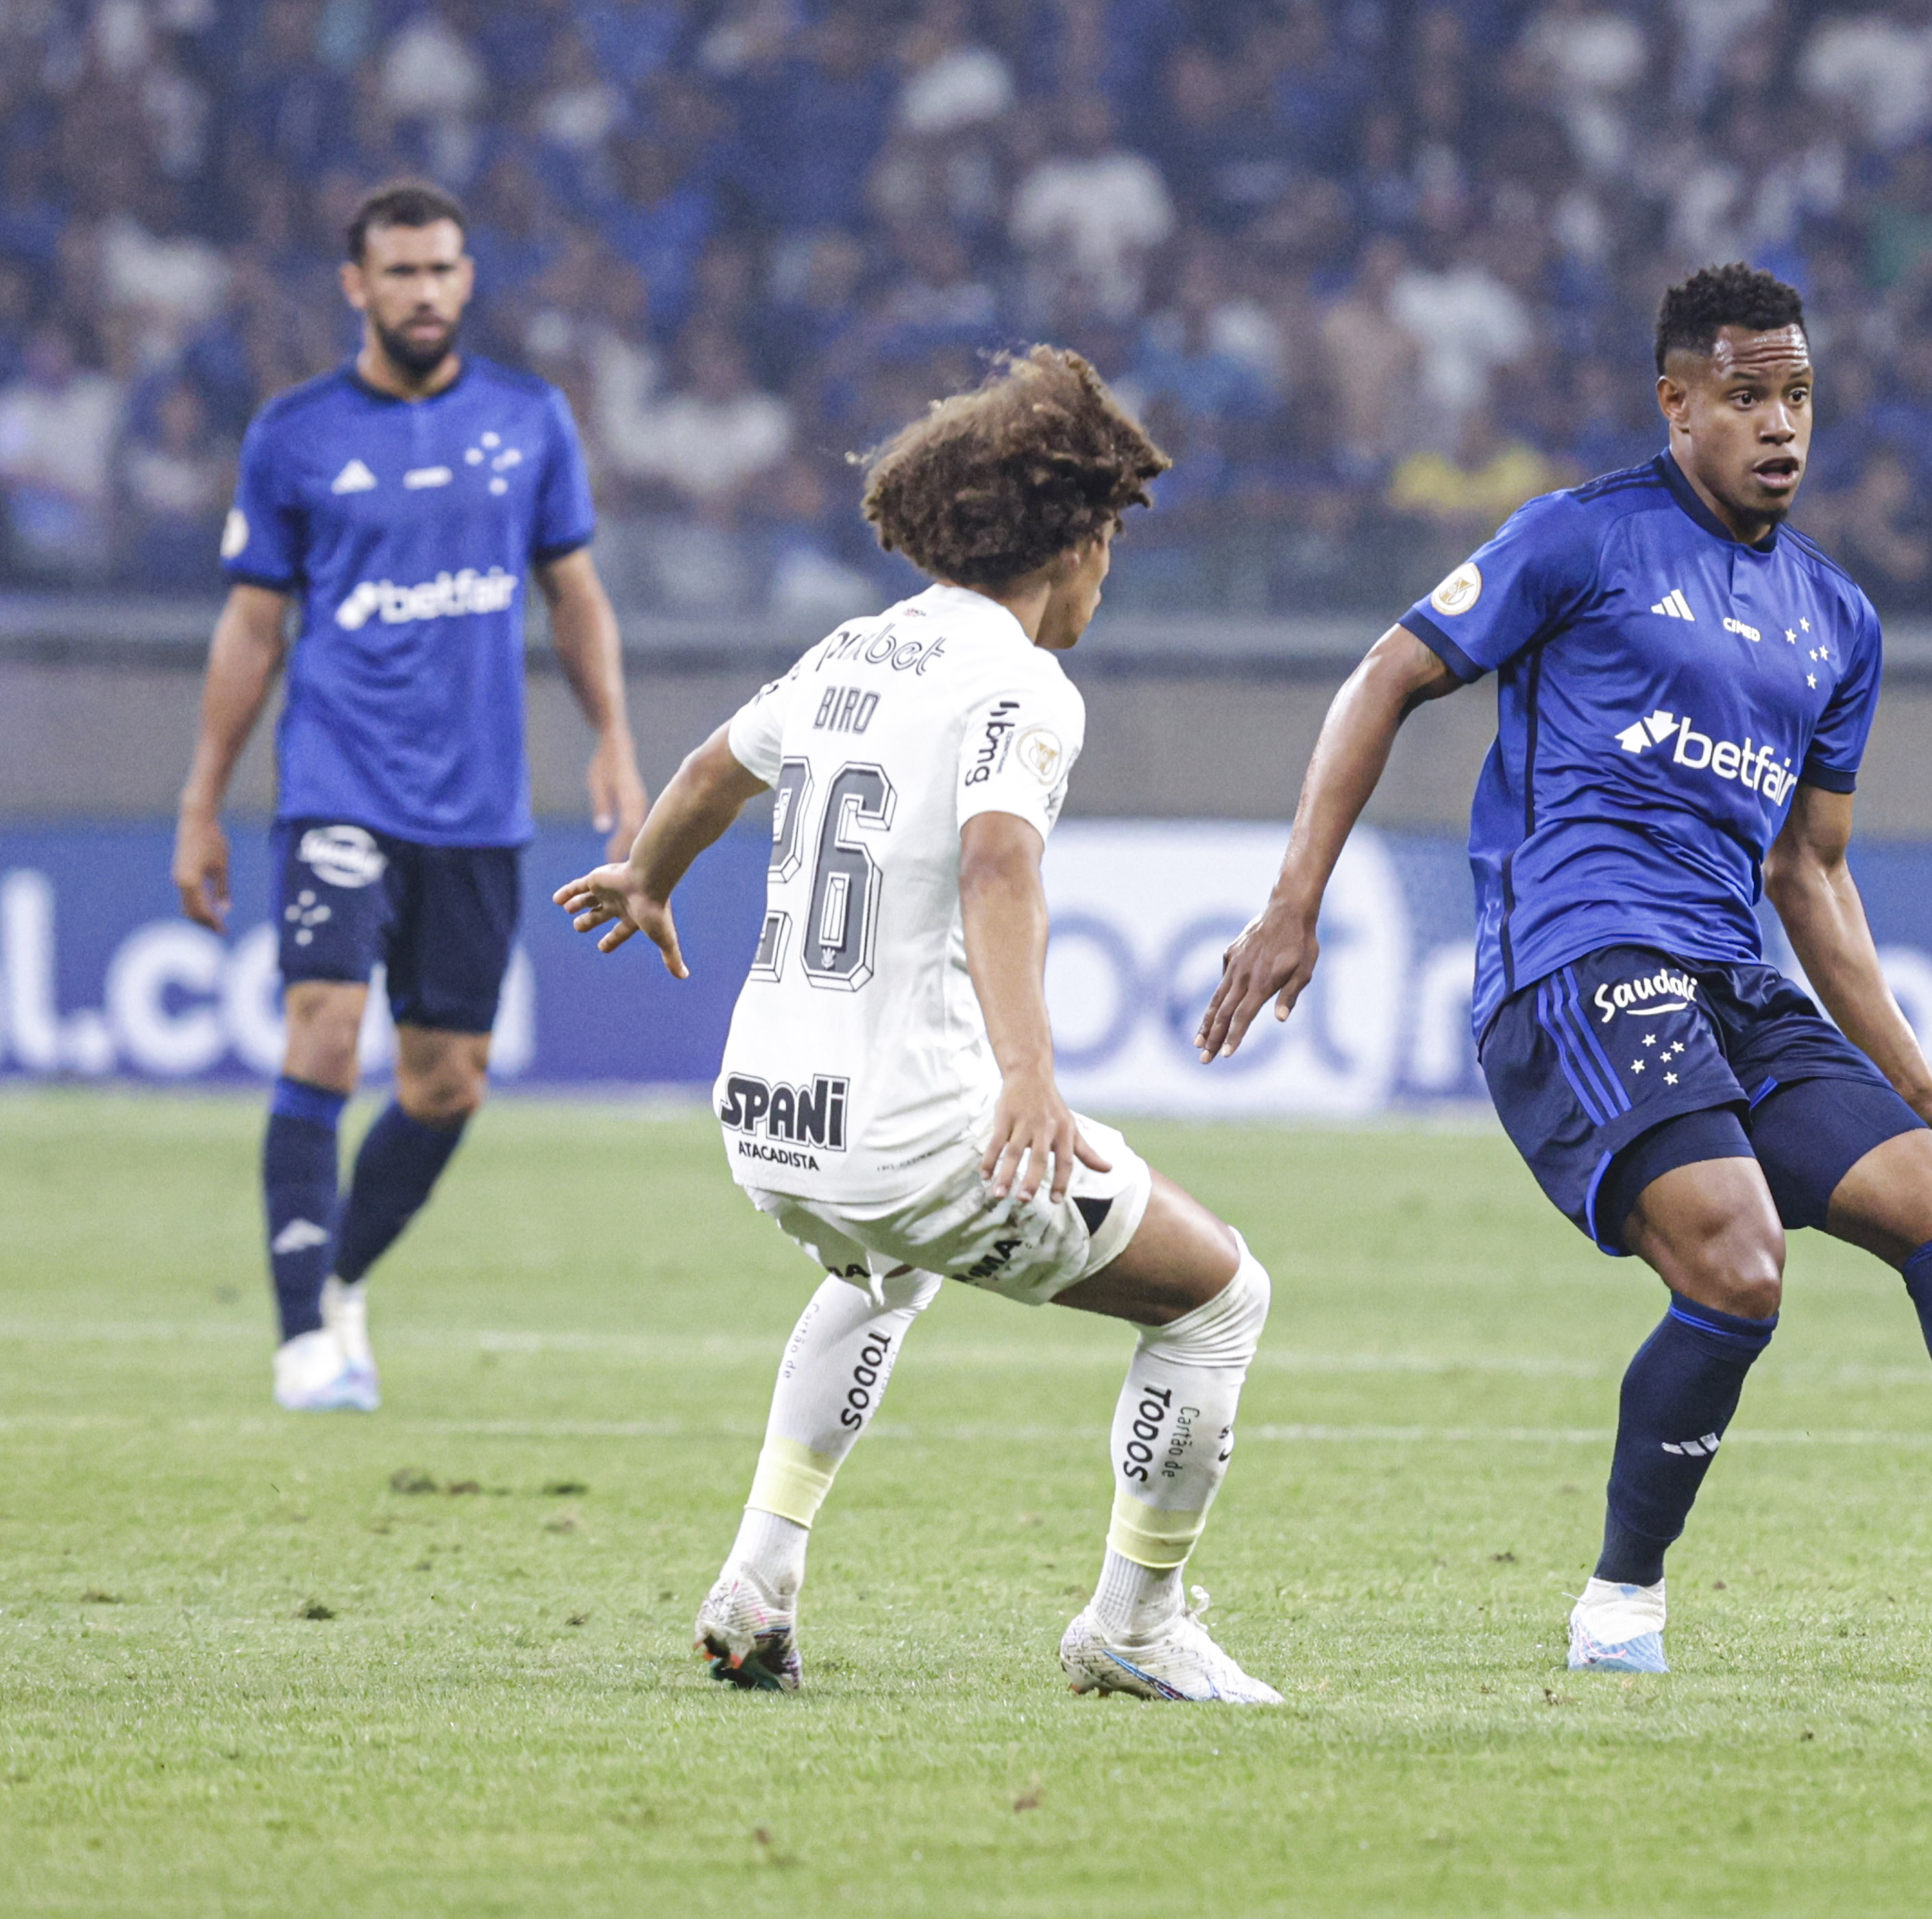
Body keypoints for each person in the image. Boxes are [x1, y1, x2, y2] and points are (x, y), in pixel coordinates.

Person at [1200, 263, 1932, 1674]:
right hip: (1576, 961)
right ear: (1677, 402)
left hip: (1730, 980)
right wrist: (1293, 901)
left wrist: (1918, 1082)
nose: (1782, 427)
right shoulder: (1578, 539)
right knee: (1741, 1260)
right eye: (1749, 396)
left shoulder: (1838, 619)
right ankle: (1621, 1600)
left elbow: (1809, 873)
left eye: (1802, 397)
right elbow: (1389, 670)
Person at [552, 348, 1282, 1705]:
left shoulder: (849, 647)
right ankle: (1136, 1619)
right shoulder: (1022, 685)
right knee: (1219, 1295)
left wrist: (648, 874)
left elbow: (716, 767)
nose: (1107, 573)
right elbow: (1002, 866)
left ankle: (758, 1579)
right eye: (1109, 540)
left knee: (885, 1268)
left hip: (767, 1117)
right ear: (1073, 537)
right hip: (910, 1132)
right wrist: (1028, 1075)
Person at [171, 180, 646, 1415]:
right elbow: (252, 628)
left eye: (442, 270)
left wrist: (613, 742)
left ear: (466, 278)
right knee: (324, 1030)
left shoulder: (529, 422)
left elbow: (575, 595)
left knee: (447, 1083)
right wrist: (201, 800)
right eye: (400, 273)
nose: (423, 292)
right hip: (337, 782)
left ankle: (337, 1283)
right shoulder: (295, 433)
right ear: (357, 286)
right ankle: (296, 1343)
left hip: (478, 808)